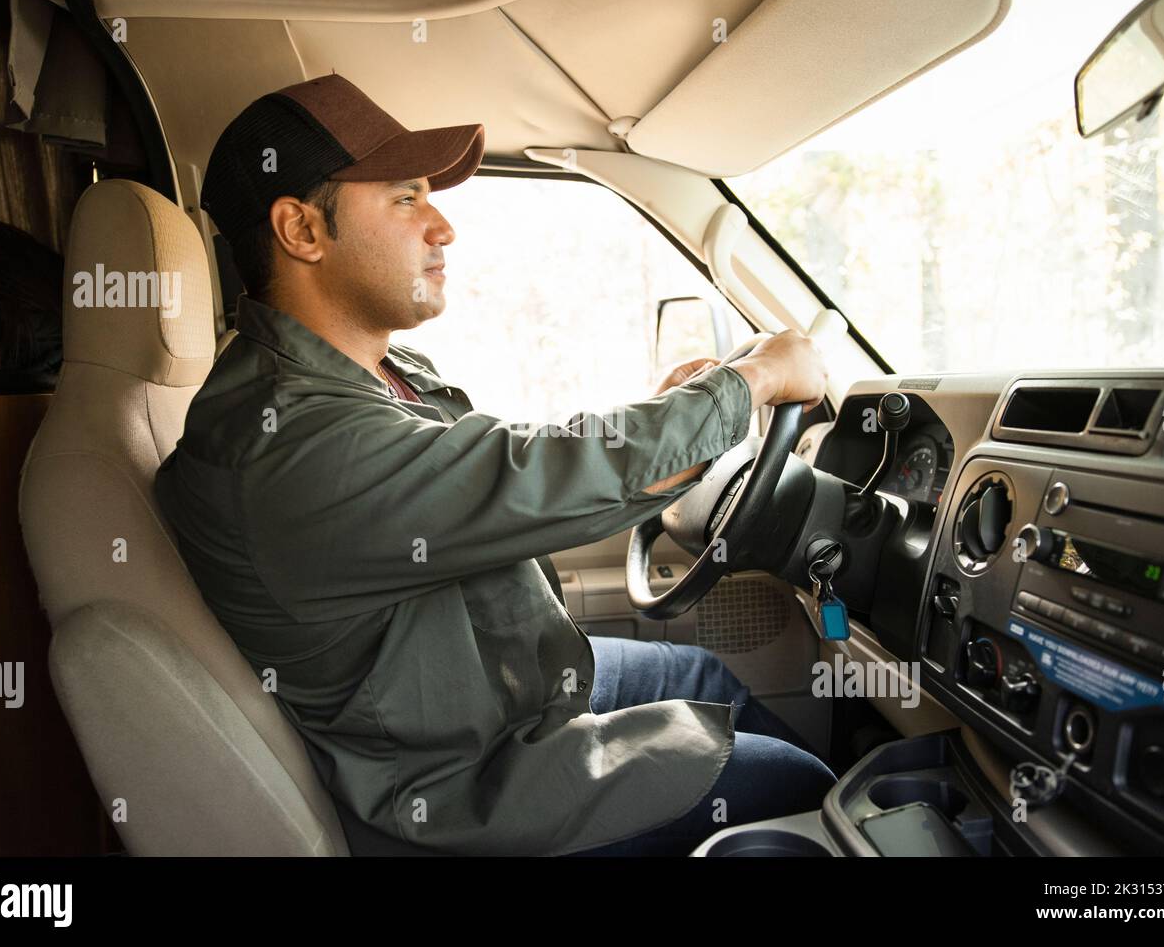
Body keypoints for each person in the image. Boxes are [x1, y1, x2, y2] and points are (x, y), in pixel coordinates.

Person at [154, 73, 833, 857]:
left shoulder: (364, 372)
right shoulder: (288, 444)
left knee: (702, 677)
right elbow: (533, 475)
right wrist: (749, 383)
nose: (442, 226)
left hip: (485, 689)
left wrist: (676, 426)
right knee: (796, 786)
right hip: (463, 785)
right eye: (405, 199)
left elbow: (502, 469)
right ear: (301, 230)